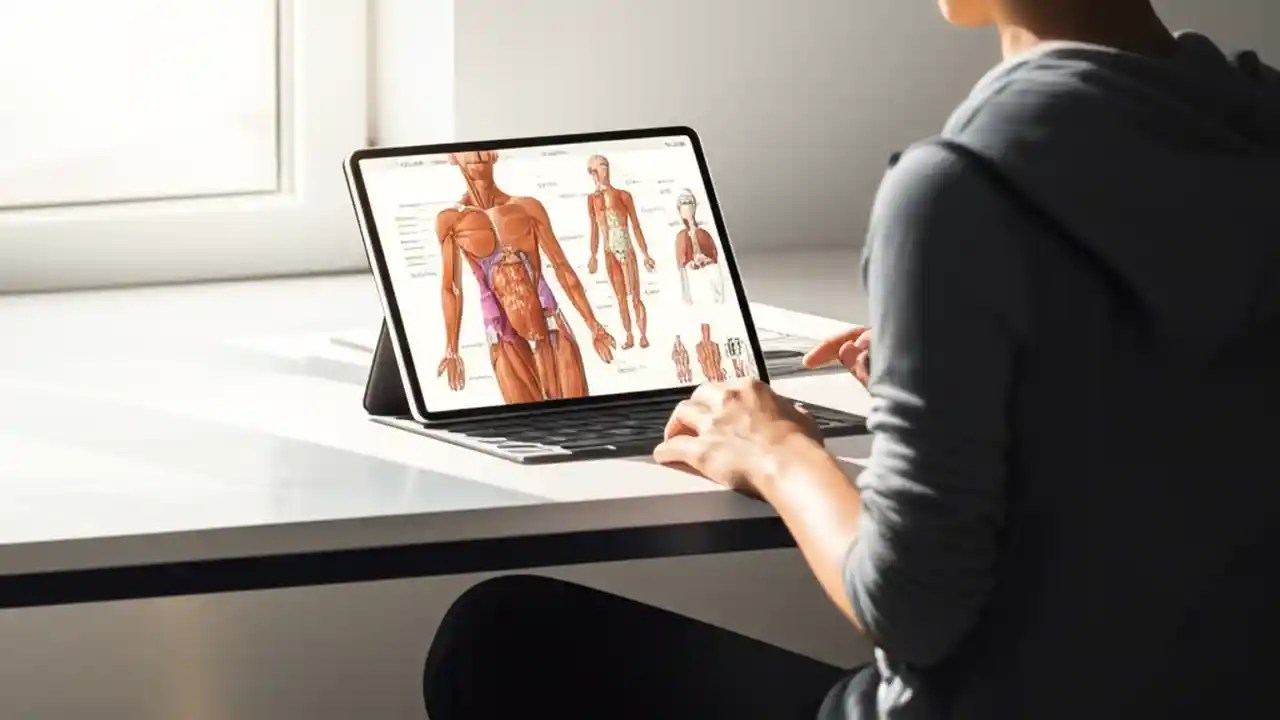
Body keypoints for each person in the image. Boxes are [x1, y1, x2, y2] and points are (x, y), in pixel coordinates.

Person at [422, 0, 1280, 717]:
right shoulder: (1259, 124)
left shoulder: (963, 189)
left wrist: (777, 451)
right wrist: (945, 360)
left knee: (495, 638)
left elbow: (911, 613)